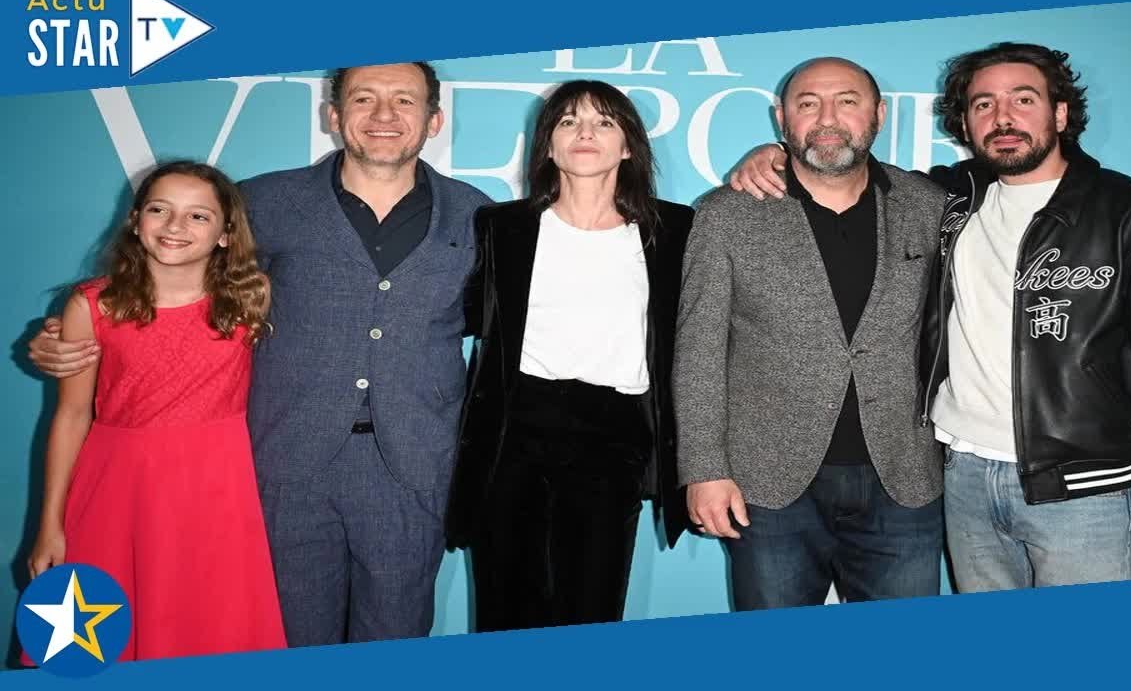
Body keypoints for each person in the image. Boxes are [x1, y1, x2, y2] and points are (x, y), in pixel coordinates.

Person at [727, 42, 1131, 591]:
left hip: (1087, 489)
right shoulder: (951, 198)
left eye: (1023, 99)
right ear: (965, 122)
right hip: (963, 478)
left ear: (1060, 113)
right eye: (984, 104)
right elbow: (840, 167)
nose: (1004, 118)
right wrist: (777, 153)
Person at [28, 62, 493, 645]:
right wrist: (72, 336)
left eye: (404, 101)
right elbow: (179, 291)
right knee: (288, 638)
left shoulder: (478, 216)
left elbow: (503, 328)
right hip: (282, 465)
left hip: (410, 469)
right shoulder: (264, 203)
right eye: (363, 98)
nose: (383, 115)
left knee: (396, 639)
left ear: (434, 119)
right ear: (333, 115)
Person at [674, 58, 946, 612]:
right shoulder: (726, 214)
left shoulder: (930, 206)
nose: (827, 118)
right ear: (781, 119)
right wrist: (704, 469)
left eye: (847, 100)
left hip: (904, 479)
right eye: (807, 103)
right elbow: (698, 352)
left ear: (878, 113)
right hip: (768, 486)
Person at [444, 80, 692, 631]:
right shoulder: (501, 228)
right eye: (568, 121)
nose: (585, 133)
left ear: (628, 146)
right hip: (514, 434)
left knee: (592, 610)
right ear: (547, 145)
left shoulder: (673, 230)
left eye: (604, 122)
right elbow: (457, 316)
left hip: (615, 439)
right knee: (505, 611)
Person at [25, 161, 285, 661]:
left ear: (227, 234)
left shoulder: (251, 300)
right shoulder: (93, 306)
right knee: (97, 641)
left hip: (218, 496)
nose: (174, 227)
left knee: (210, 628)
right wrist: (50, 524)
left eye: (198, 217)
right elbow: (71, 417)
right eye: (160, 209)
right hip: (116, 494)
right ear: (135, 220)